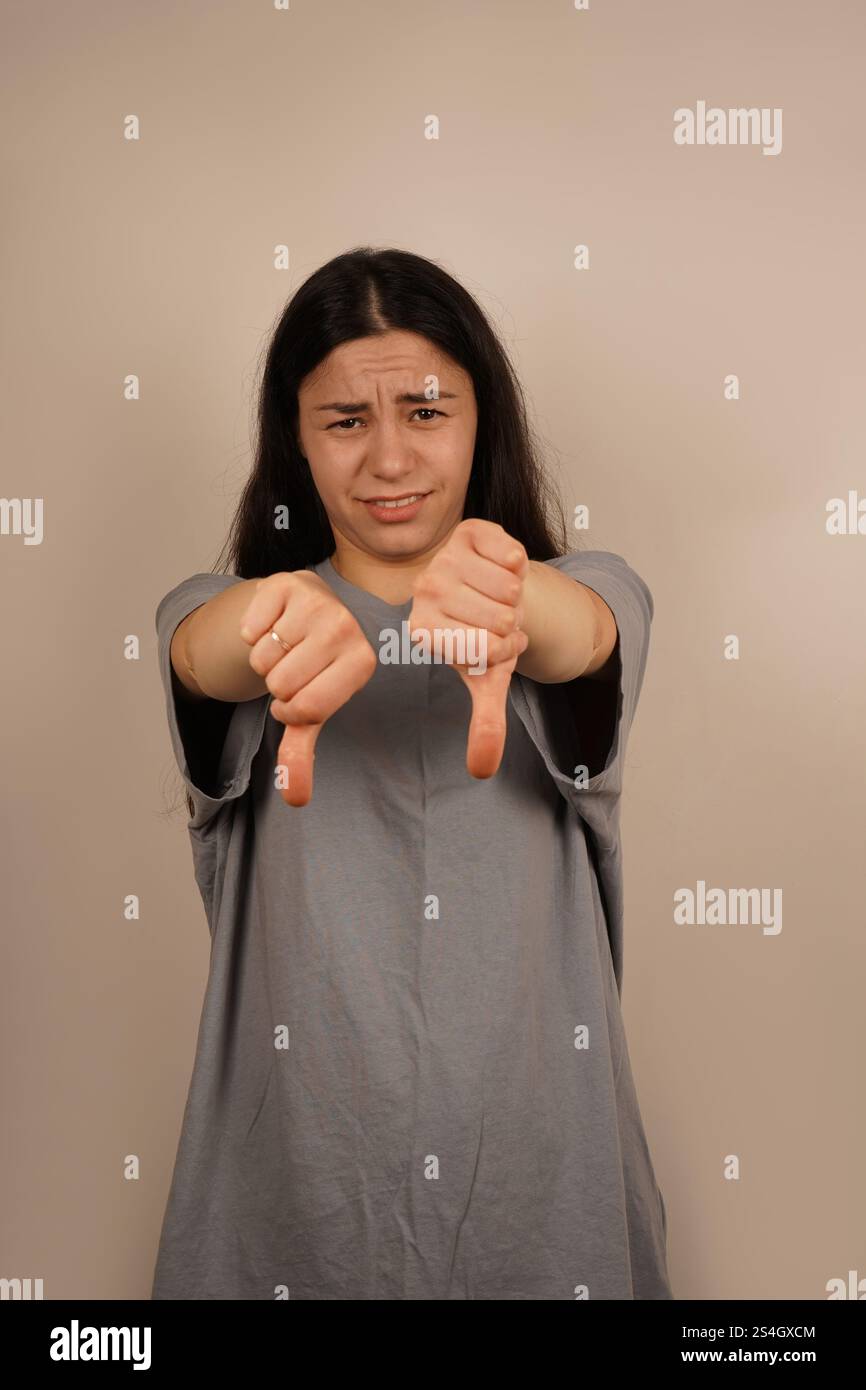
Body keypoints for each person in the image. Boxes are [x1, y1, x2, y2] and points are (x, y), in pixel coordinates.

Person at [152, 246, 672, 1300]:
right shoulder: (230, 617)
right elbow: (196, 651)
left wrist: (515, 605)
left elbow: (584, 634)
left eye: (426, 411)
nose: (388, 459)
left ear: (483, 421)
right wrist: (266, 620)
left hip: (541, 1208)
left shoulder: (585, 591)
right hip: (288, 1214)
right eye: (345, 420)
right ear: (293, 441)